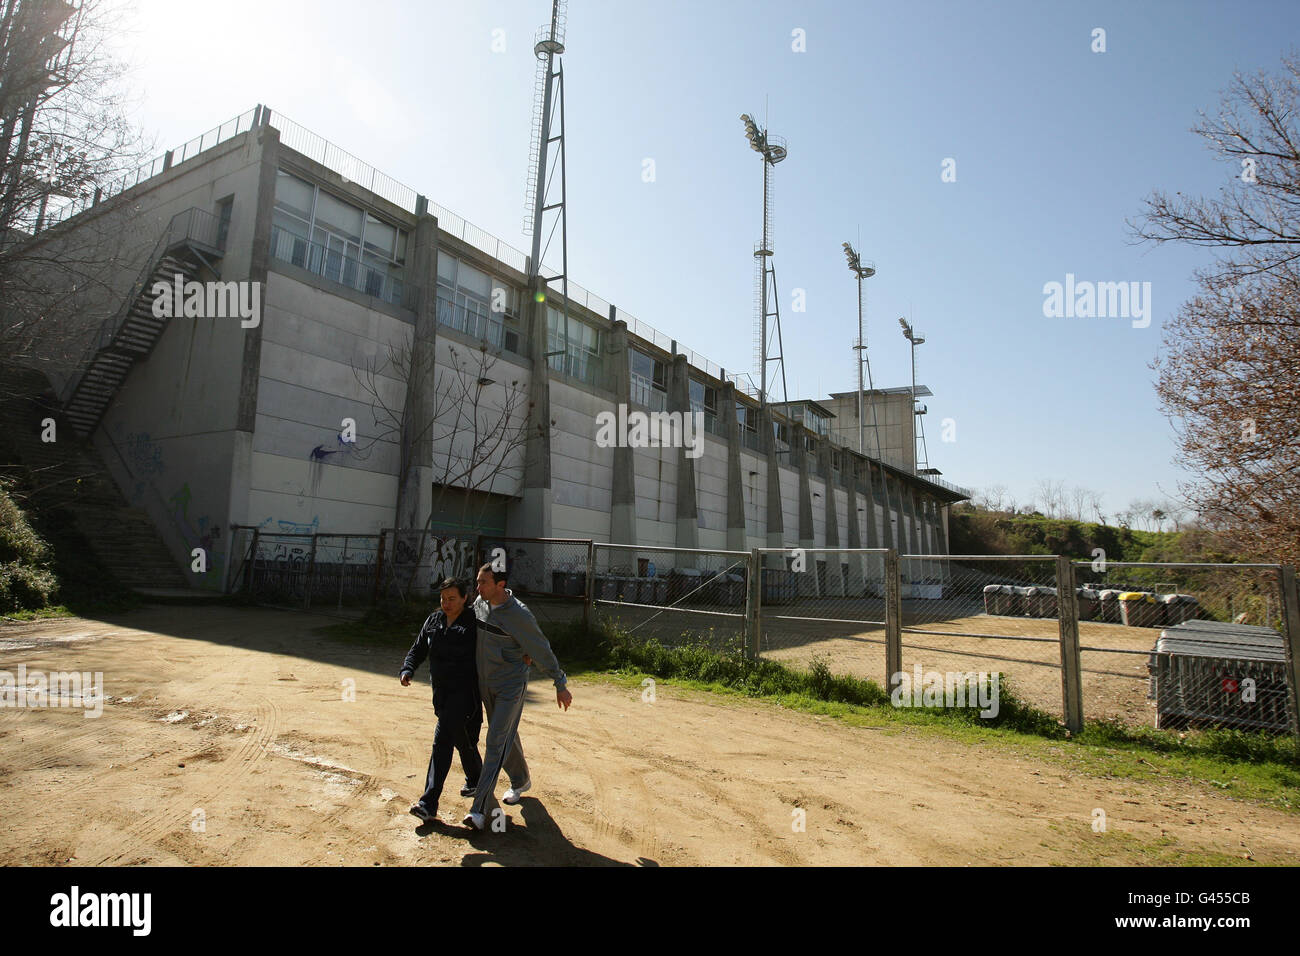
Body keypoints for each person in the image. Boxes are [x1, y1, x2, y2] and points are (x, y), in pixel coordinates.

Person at [463, 562, 573, 831]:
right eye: (477, 582)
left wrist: (560, 682)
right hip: (484, 683)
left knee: (495, 740)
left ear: (500, 585)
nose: (478, 588)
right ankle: (521, 779)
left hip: (510, 686)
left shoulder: (519, 615)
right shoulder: (480, 603)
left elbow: (540, 649)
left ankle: (479, 810)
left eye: (483, 583)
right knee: (505, 735)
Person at [399, 577, 483, 823]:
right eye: (443, 599)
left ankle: (428, 802)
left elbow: (495, 646)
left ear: (465, 598)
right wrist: (408, 668)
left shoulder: (473, 623)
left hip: (466, 694)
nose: (446, 603)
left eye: (452, 599)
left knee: (442, 740)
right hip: (441, 695)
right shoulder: (434, 621)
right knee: (460, 738)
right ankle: (476, 777)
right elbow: (418, 649)